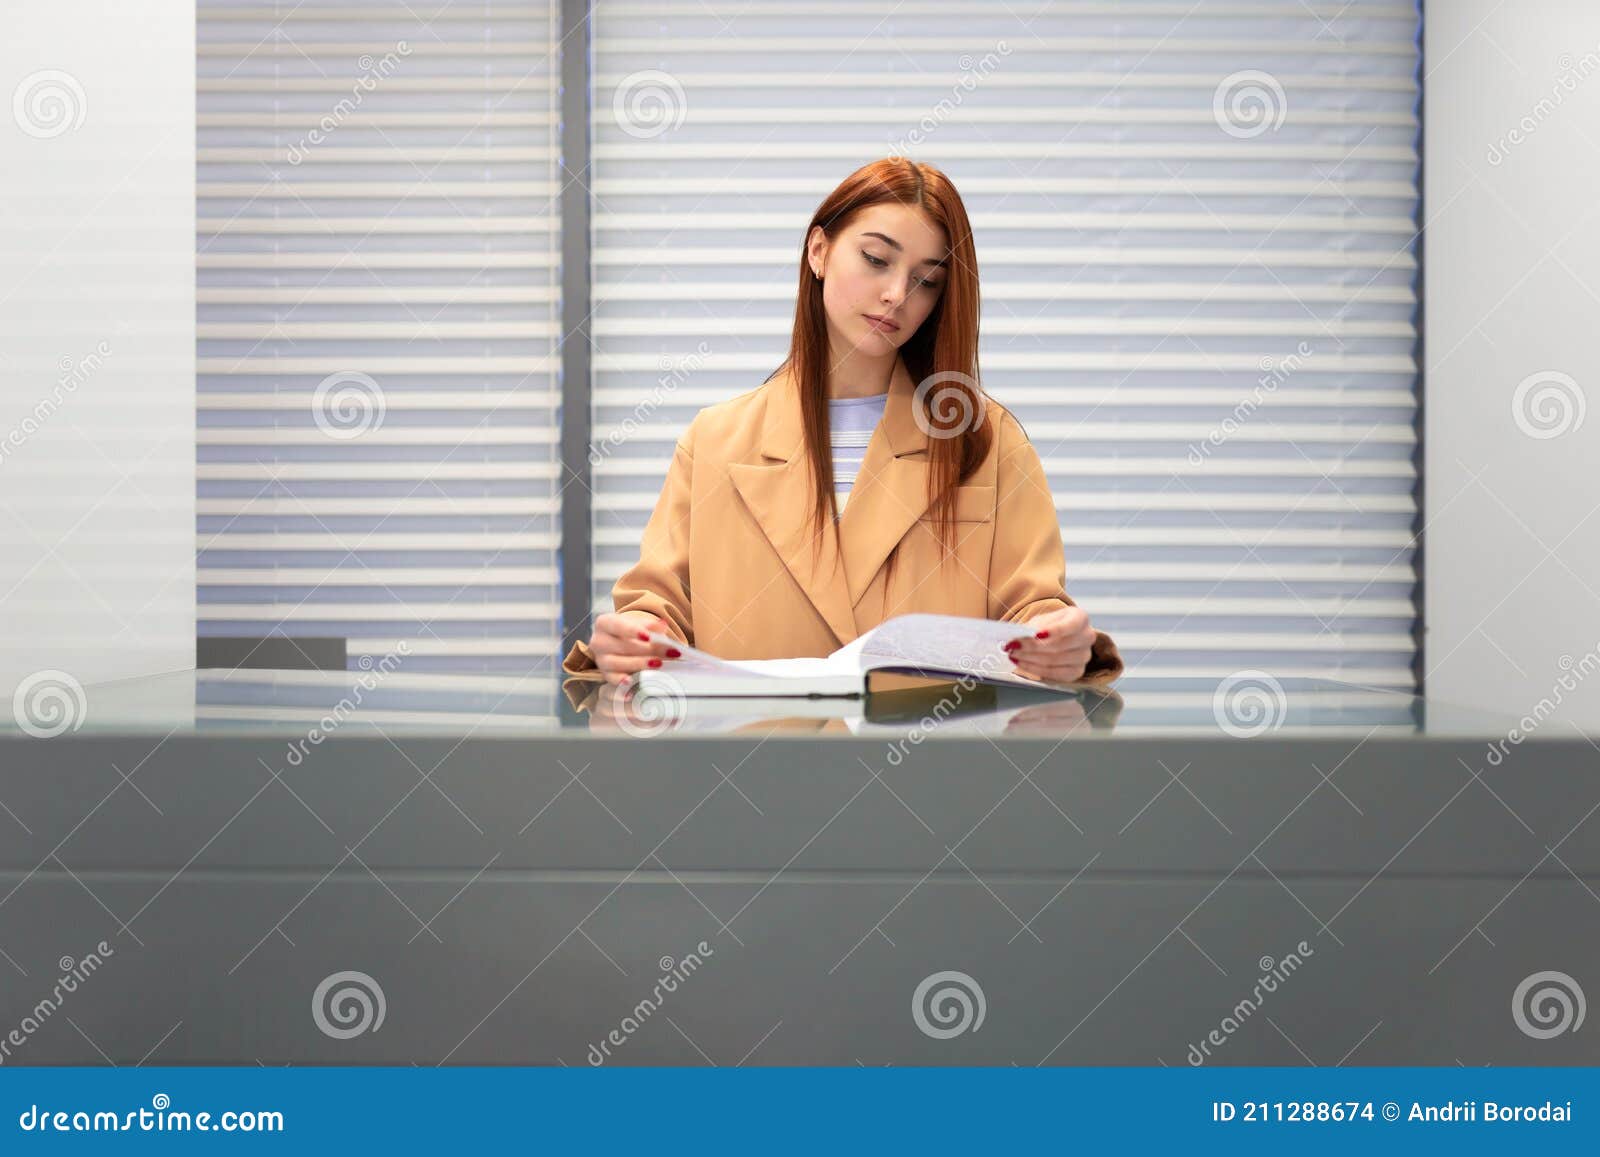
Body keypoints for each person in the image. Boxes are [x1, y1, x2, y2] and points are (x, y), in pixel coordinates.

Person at [563, 156, 1122, 689]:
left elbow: (1032, 611)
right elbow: (659, 613)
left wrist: (1060, 643)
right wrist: (638, 640)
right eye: (877, 260)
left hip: (938, 775)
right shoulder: (713, 442)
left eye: (927, 280)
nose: (896, 294)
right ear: (818, 250)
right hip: (750, 768)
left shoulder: (987, 440)